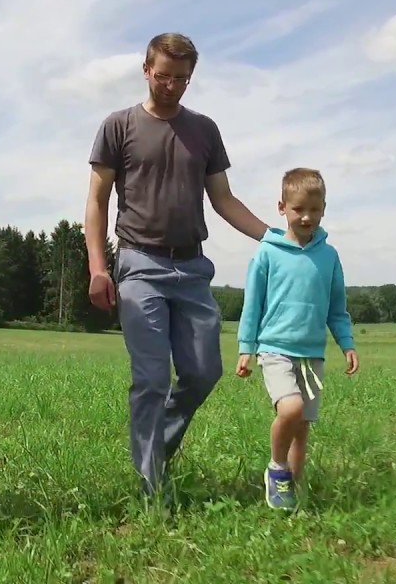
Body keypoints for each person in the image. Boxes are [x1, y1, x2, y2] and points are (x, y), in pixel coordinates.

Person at [84, 32, 271, 502]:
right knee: (150, 377)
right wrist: (97, 268)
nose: (170, 86)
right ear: (146, 70)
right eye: (163, 75)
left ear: (191, 78)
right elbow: (96, 201)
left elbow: (224, 199)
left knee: (205, 372)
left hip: (191, 269)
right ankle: (152, 485)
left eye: (181, 79)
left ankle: (157, 446)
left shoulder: (204, 130)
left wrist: (278, 238)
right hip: (139, 263)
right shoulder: (118, 125)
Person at [234, 167, 359, 511]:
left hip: (312, 354)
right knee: (290, 408)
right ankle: (277, 469)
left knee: (302, 428)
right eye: (298, 209)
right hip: (275, 349)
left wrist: (346, 343)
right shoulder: (268, 253)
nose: (306, 217)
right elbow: (253, 304)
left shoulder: (329, 256)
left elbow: (337, 308)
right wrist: (247, 348)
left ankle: (292, 492)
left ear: (323, 209)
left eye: (314, 210)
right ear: (282, 207)